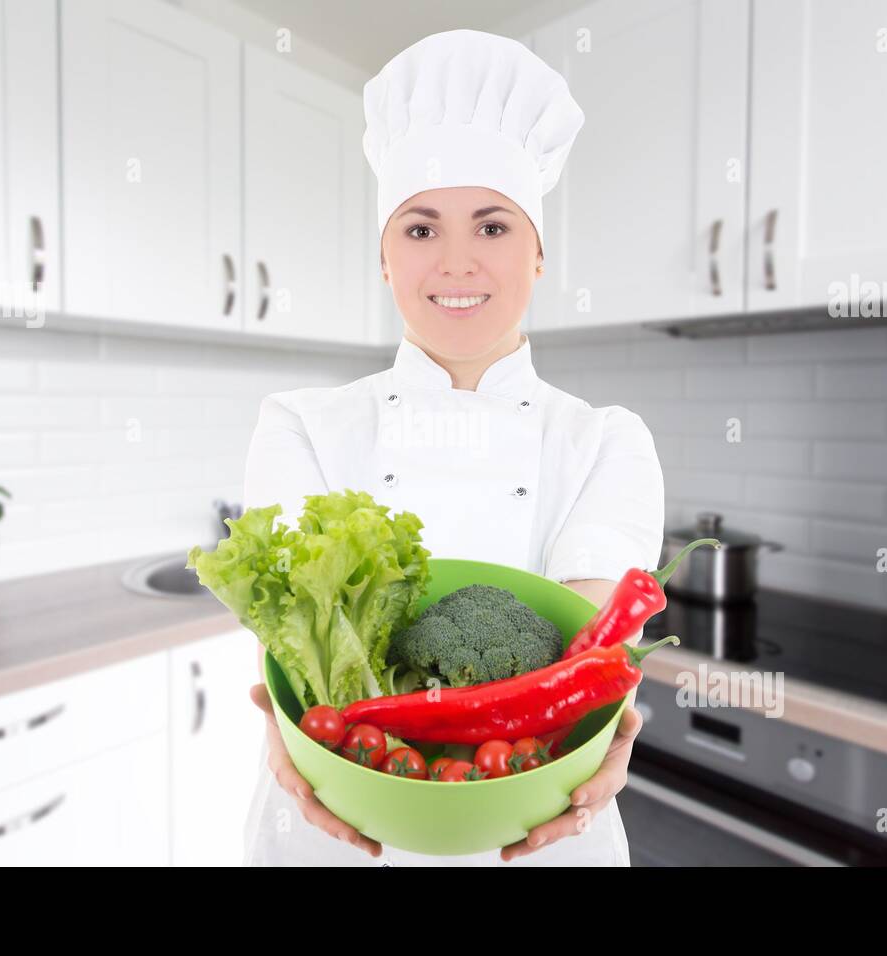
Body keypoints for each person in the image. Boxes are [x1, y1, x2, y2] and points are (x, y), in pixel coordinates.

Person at [241, 29, 664, 866]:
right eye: (422, 229)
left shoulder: (607, 442)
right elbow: (299, 652)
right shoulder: (297, 423)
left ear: (539, 254)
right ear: (384, 257)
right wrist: (283, 726)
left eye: (495, 226)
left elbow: (580, 660)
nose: (458, 262)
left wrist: (607, 723)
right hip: (333, 823)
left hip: (541, 825)